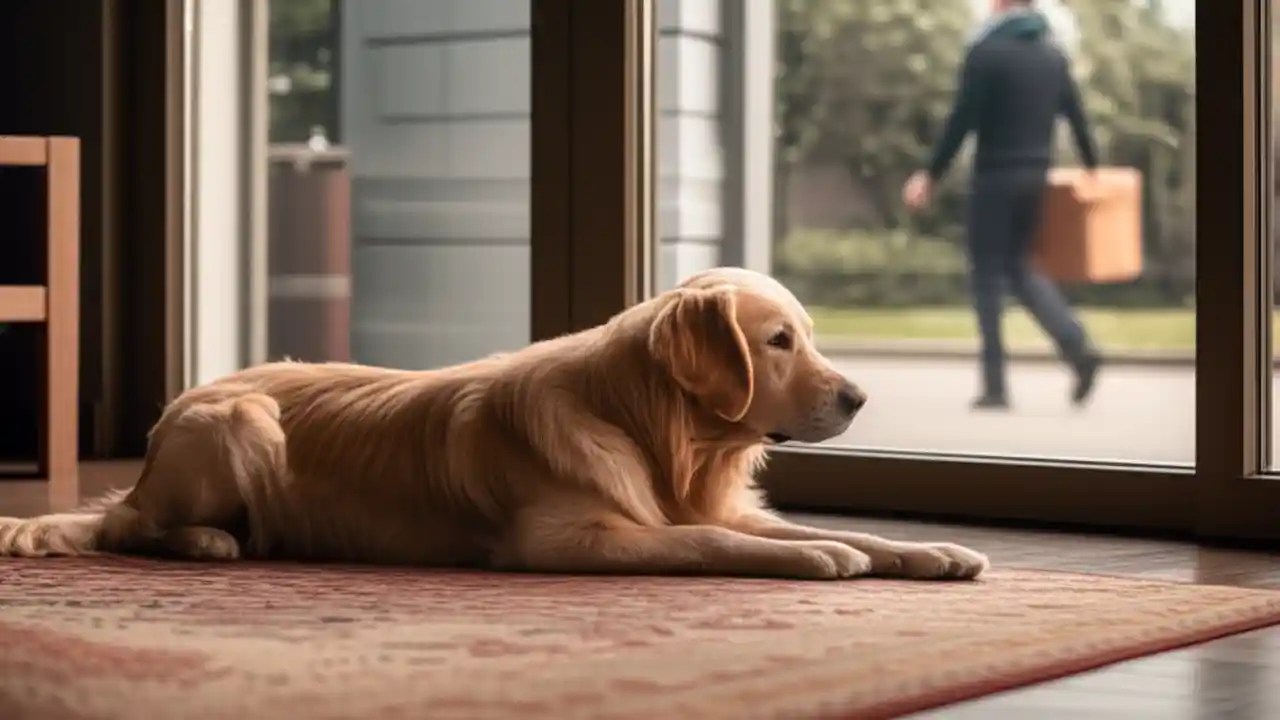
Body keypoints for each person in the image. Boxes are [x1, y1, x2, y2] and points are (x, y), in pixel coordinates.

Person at [902, 0, 1101, 410]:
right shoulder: (1052, 54)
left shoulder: (985, 52)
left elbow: (961, 120)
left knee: (987, 277)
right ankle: (1078, 347)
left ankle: (995, 387)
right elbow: (1077, 115)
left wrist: (931, 174)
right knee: (1021, 268)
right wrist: (1092, 167)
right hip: (1036, 177)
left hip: (994, 176)